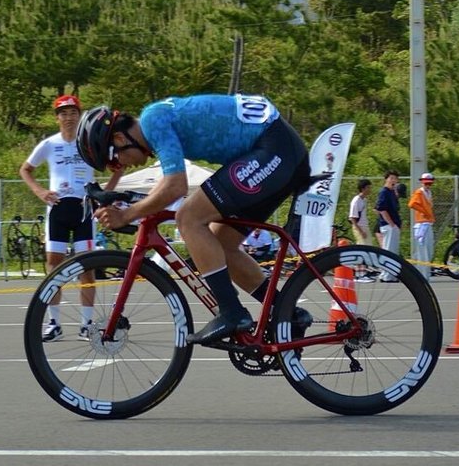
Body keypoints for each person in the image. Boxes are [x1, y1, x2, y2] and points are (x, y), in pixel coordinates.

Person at [77, 94, 313, 345]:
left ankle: (231, 313)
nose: (122, 167)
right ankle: (288, 313)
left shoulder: (152, 121)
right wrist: (129, 200)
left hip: (271, 149)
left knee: (188, 218)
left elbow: (176, 187)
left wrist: (126, 214)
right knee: (220, 245)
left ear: (120, 138)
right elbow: (166, 185)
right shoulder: (156, 121)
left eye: (115, 161)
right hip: (276, 150)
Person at [20, 95, 120, 342]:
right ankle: (54, 322)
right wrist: (40, 192)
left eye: (73, 112)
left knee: (87, 265)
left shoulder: (88, 142)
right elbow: (26, 169)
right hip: (57, 209)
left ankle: (87, 324)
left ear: (80, 115)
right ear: (57, 118)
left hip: (84, 208)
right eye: (63, 113)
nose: (68, 117)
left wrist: (105, 194)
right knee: (54, 264)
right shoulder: (49, 144)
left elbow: (117, 166)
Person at [408, 173, 436, 277]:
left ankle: (426, 273)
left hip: (427, 223)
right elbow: (412, 204)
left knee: (428, 250)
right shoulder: (419, 193)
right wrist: (423, 211)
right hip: (421, 225)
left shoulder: (429, 193)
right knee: (422, 251)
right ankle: (423, 274)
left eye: (429, 183)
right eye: (426, 183)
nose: (428, 185)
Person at [375, 171, 402, 256]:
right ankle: (385, 269)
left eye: (395, 179)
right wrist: (391, 224)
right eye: (391, 178)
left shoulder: (392, 192)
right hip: (388, 225)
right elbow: (381, 209)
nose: (393, 181)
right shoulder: (384, 192)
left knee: (394, 252)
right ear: (386, 179)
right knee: (388, 251)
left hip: (394, 225)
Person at [348, 178, 372, 245]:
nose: (370, 189)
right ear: (362, 189)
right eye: (368, 187)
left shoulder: (364, 200)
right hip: (359, 227)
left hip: (365, 226)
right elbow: (352, 218)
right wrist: (361, 232)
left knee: (369, 247)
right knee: (363, 247)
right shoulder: (356, 200)